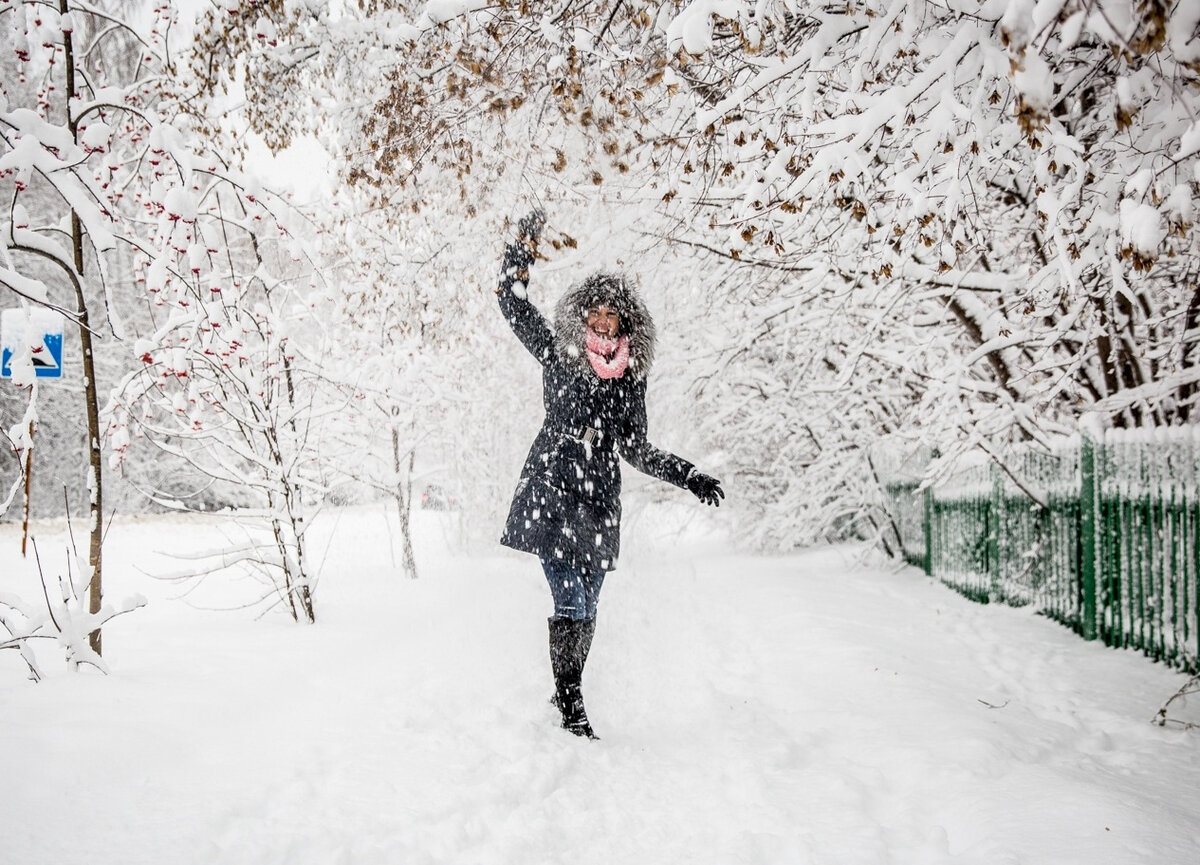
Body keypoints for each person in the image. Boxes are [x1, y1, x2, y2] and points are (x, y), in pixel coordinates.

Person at [495, 210, 724, 739]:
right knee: (569, 601)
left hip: (598, 497)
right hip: (552, 486)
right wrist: (522, 249)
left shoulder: (629, 379)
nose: (602, 322)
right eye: (595, 313)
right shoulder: (559, 350)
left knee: (590, 606)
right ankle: (572, 709)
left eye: (611, 317)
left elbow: (636, 448)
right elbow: (511, 302)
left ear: (625, 325)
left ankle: (563, 684)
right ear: (583, 315)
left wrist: (688, 476)